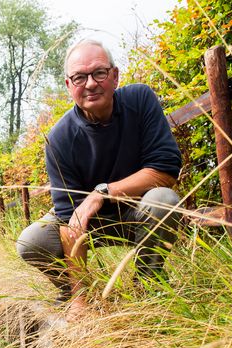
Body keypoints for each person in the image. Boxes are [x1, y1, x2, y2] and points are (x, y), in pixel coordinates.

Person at [16, 39, 182, 319]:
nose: (91, 84)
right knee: (31, 241)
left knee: (163, 200)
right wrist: (81, 300)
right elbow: (71, 222)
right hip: (88, 224)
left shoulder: (140, 100)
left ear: (114, 76)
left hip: (137, 210)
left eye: (99, 73)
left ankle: (147, 288)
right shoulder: (59, 139)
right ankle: (77, 293)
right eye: (80, 77)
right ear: (69, 86)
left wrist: (101, 193)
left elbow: (165, 170)